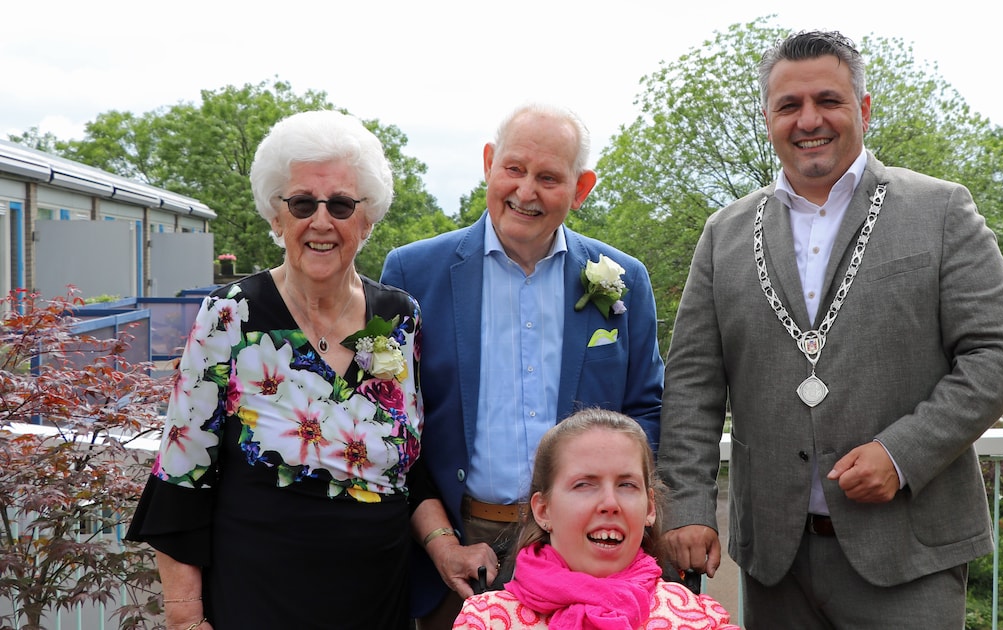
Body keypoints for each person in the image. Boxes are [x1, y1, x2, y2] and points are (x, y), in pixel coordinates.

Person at [657, 30, 1003, 628]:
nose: (809, 120)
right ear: (768, 118)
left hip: (909, 554)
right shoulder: (724, 234)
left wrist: (900, 454)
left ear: (864, 108)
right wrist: (687, 506)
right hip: (775, 563)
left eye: (828, 100)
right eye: (789, 105)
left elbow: (998, 357)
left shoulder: (940, 211)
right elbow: (692, 386)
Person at [127, 110, 433, 629]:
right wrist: (185, 618)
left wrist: (444, 543)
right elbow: (182, 472)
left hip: (378, 599)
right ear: (276, 217)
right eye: (302, 203)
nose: (321, 221)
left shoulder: (401, 319)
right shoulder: (230, 315)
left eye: (341, 204)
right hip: (258, 600)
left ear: (367, 220)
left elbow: (413, 464)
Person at [380, 103, 665, 629]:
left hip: (585, 553)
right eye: (513, 168)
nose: (525, 191)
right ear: (489, 163)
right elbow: (394, 427)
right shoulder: (412, 273)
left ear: (581, 189)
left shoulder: (626, 278)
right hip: (461, 549)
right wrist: (441, 542)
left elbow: (646, 409)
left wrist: (612, 512)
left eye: (548, 178)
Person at [453, 409, 738, 629]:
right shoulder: (486, 619)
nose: (610, 504)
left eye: (626, 485)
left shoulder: (698, 618)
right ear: (543, 510)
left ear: (650, 507)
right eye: (584, 485)